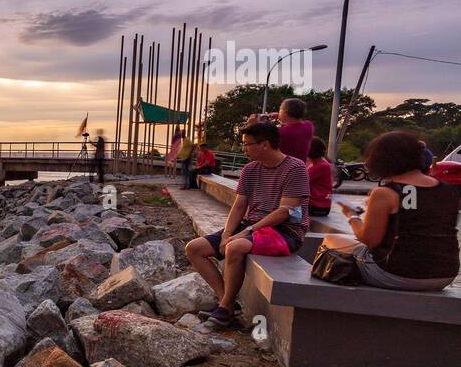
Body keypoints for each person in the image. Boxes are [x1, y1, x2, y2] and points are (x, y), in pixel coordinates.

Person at [185, 120, 310, 325]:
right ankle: (227, 301)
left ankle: (224, 308)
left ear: (265, 145)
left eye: (247, 144)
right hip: (252, 225)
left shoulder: (295, 168)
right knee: (194, 248)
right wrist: (227, 233)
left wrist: (245, 232)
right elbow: (239, 205)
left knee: (235, 247)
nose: (243, 149)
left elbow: (285, 212)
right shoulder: (250, 169)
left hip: (285, 230)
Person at [319, 131, 459, 291]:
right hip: (445, 275)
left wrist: (351, 215)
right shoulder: (447, 189)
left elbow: (370, 240)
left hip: (397, 273)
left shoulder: (385, 193)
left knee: (331, 240)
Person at [306, 137, 333, 217]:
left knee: (287, 211)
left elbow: (300, 181)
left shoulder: (321, 166)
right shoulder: (319, 163)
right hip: (317, 206)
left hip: (318, 207)